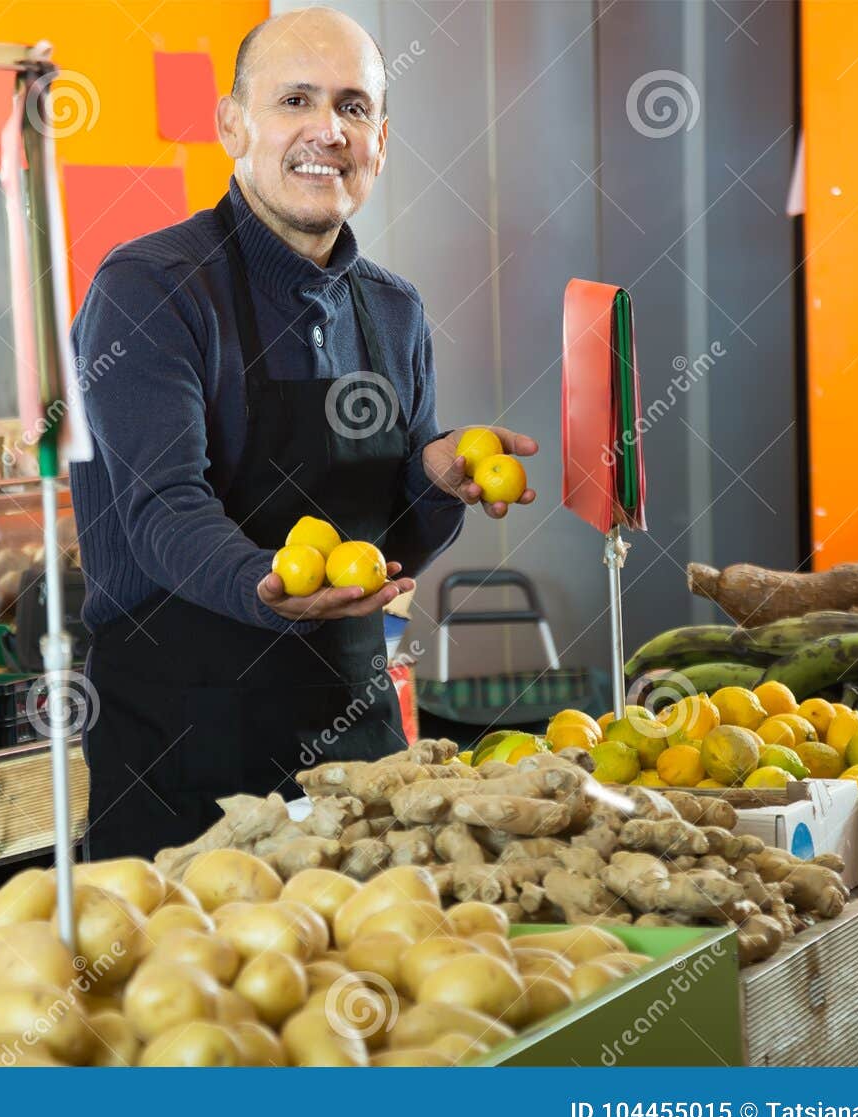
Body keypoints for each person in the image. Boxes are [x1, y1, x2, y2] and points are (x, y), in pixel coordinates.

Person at [70, 7, 537, 858]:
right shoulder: (152, 289)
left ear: (382, 141)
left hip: (358, 765)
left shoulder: (393, 310)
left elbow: (390, 547)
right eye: (296, 99)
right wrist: (265, 584)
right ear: (231, 125)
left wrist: (436, 482)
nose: (328, 130)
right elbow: (161, 510)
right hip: (184, 764)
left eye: (354, 108)